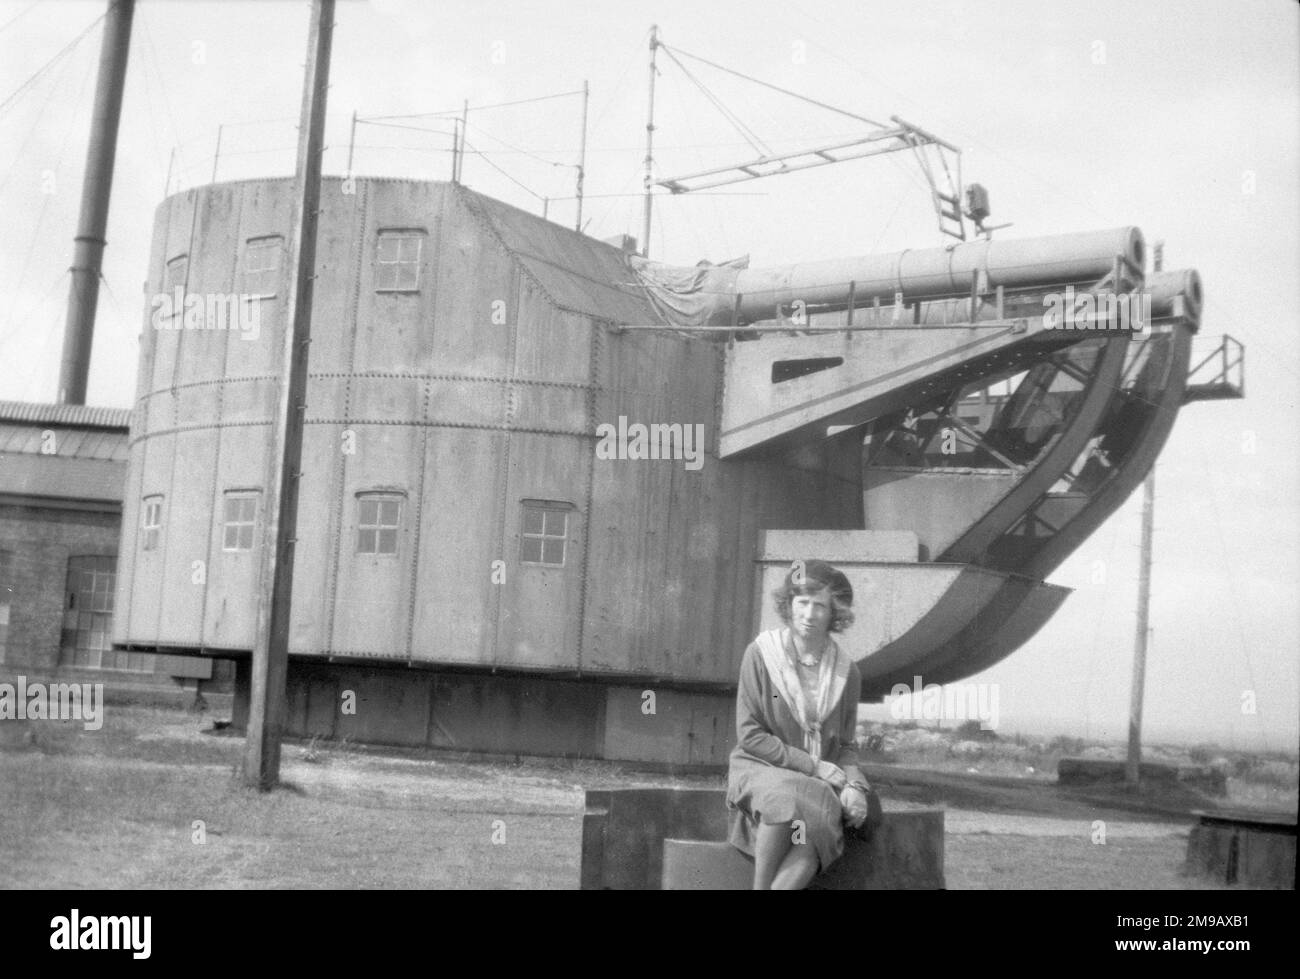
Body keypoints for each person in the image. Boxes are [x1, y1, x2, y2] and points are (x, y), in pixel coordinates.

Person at [725, 559, 872, 889]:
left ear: (834, 613)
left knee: (814, 830)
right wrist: (812, 765)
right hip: (759, 767)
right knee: (786, 798)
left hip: (820, 781)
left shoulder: (847, 672)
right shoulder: (761, 654)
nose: (809, 614)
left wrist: (854, 787)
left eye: (820, 606)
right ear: (789, 605)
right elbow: (750, 735)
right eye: (802, 602)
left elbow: (846, 747)